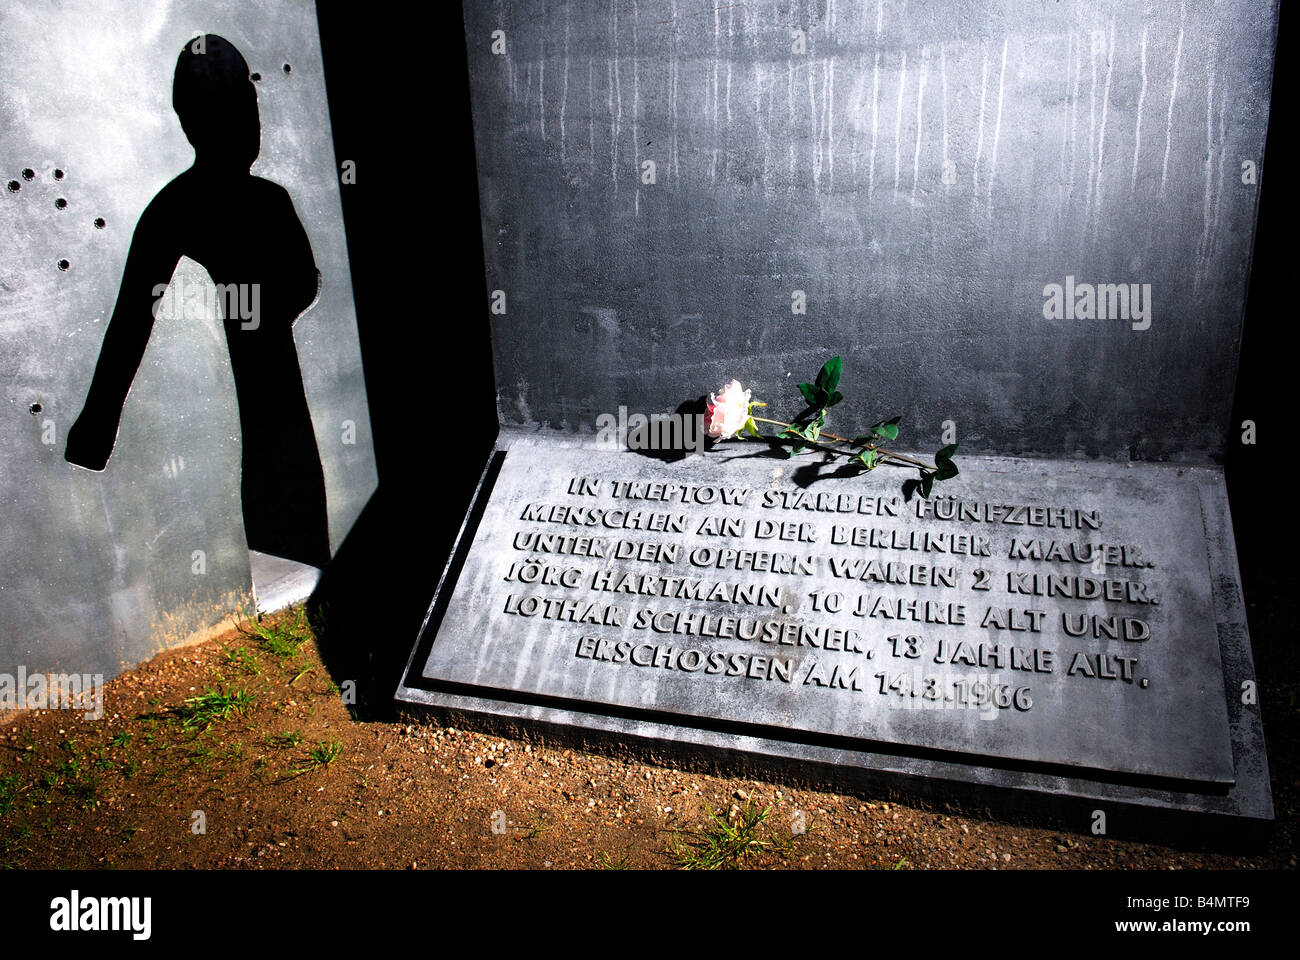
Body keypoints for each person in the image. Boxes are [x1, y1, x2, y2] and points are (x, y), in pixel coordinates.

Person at [65, 35, 331, 569]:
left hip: (271, 374)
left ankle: (293, 557)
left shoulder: (188, 206)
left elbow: (130, 322)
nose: (251, 121)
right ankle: (291, 556)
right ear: (195, 122)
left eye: (248, 104)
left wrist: (94, 428)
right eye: (238, 106)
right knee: (280, 454)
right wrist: (96, 425)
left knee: (279, 452)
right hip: (273, 371)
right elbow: (130, 324)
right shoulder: (243, 204)